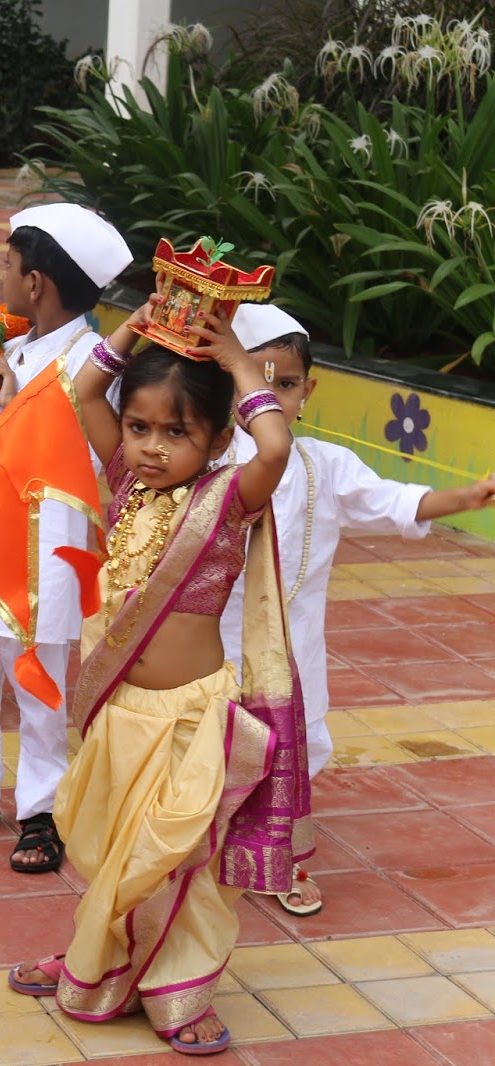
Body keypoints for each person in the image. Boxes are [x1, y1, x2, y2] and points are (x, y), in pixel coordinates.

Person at [7, 296, 305, 1057]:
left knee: (176, 858)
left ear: (213, 440)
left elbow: (273, 449)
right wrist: (139, 321)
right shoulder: (129, 484)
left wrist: (240, 363)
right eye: (139, 427)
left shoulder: (227, 498)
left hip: (189, 717)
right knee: (111, 848)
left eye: (176, 433)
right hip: (121, 707)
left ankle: (178, 991)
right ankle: (94, 956)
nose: (149, 447)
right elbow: (81, 394)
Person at [218, 304, 495, 916]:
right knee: (208, 749)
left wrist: (466, 497)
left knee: (296, 751)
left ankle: (281, 859)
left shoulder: (327, 466)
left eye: (285, 384)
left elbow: (394, 501)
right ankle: (211, 850)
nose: (271, 398)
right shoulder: (211, 462)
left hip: (295, 651)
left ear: (307, 391)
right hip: (212, 645)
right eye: (255, 382)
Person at [0, 204, 132, 872]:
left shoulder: (95, 364)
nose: (3, 281)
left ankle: (42, 804)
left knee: (39, 683)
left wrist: (11, 407)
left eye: (10, 267)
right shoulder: (10, 351)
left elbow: (87, 454)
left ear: (37, 283)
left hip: (43, 547)